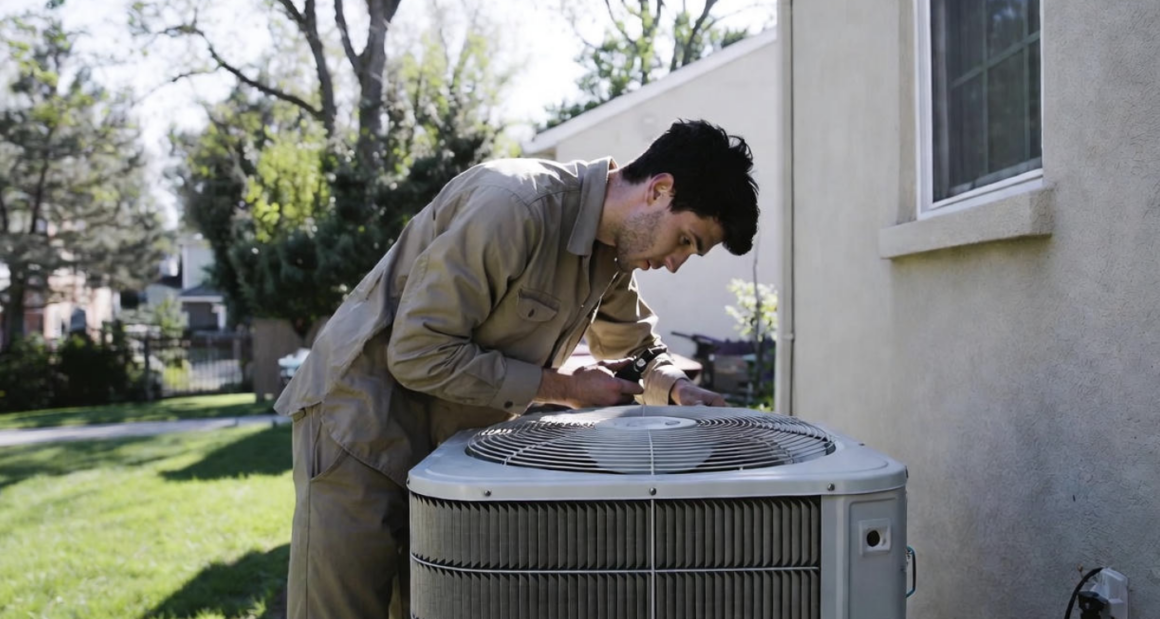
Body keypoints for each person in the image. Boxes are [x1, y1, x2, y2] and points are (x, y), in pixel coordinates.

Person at [274, 118, 760, 618]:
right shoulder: (513, 205)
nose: (677, 262)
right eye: (686, 240)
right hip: (358, 424)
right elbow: (418, 351)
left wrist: (677, 388)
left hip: (447, 451)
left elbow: (635, 346)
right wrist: (567, 389)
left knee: (431, 607)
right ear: (659, 191)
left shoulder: (615, 253)